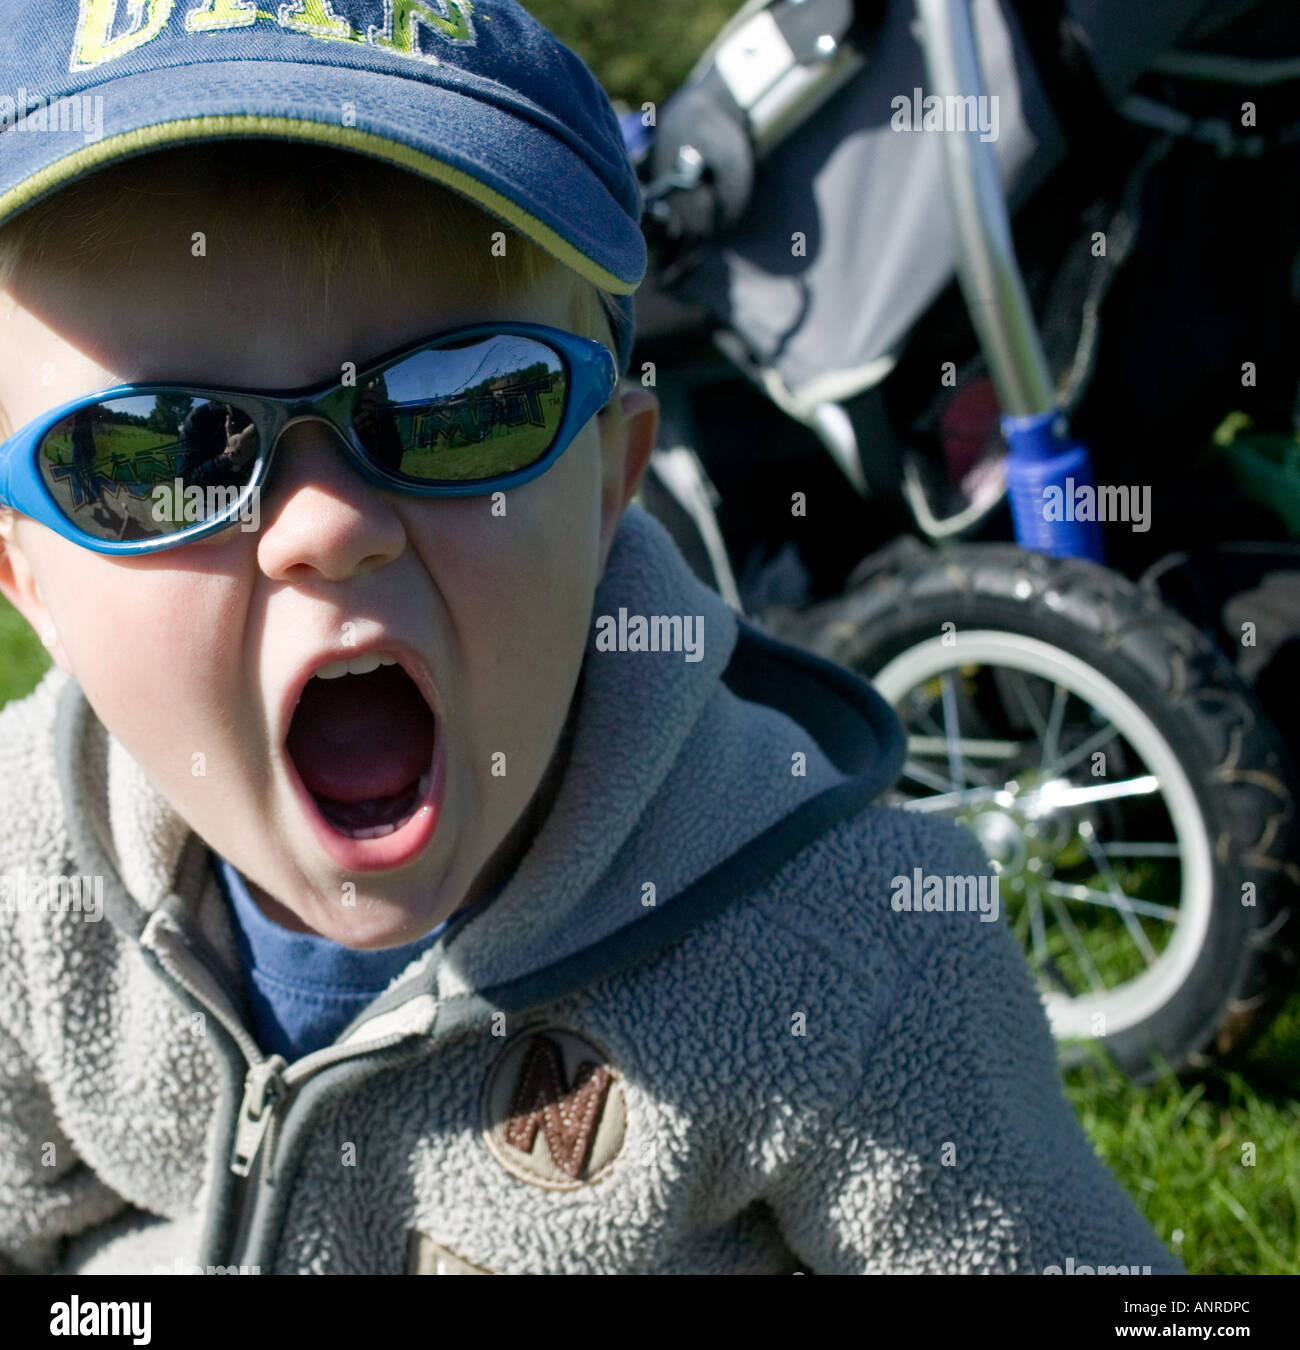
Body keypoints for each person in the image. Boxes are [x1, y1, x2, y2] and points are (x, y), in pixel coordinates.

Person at [0, 0, 1182, 1276]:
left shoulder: (854, 963)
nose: (328, 525)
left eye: (463, 406)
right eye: (161, 453)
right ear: (25, 573)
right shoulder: (25, 894)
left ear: (612, 480)